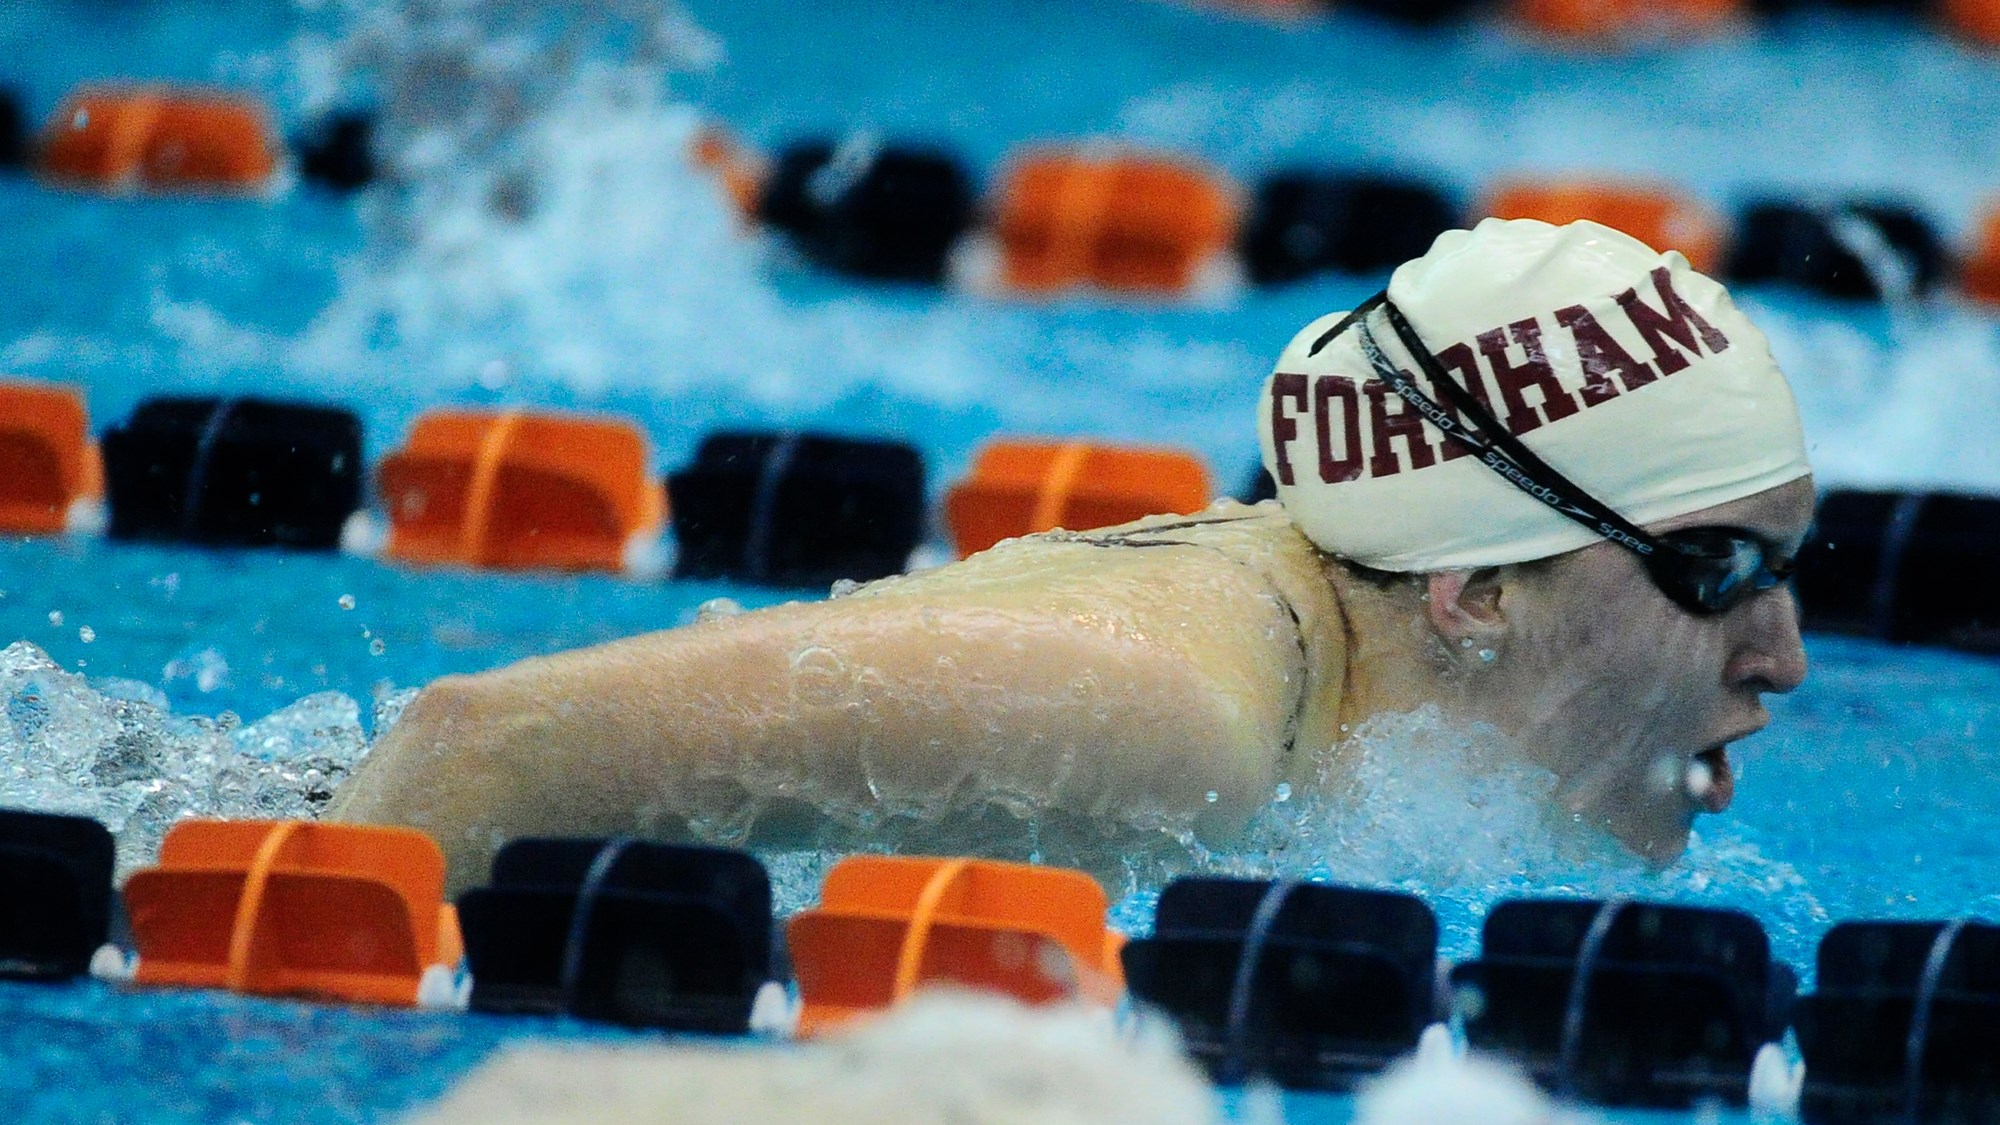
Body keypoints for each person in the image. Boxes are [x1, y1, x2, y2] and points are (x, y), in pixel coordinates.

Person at [330, 217, 1813, 892]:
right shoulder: (1172, 719)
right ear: (1476, 587)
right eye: (1722, 570)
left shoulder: (1329, 654)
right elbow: (476, 747)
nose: (1785, 654)